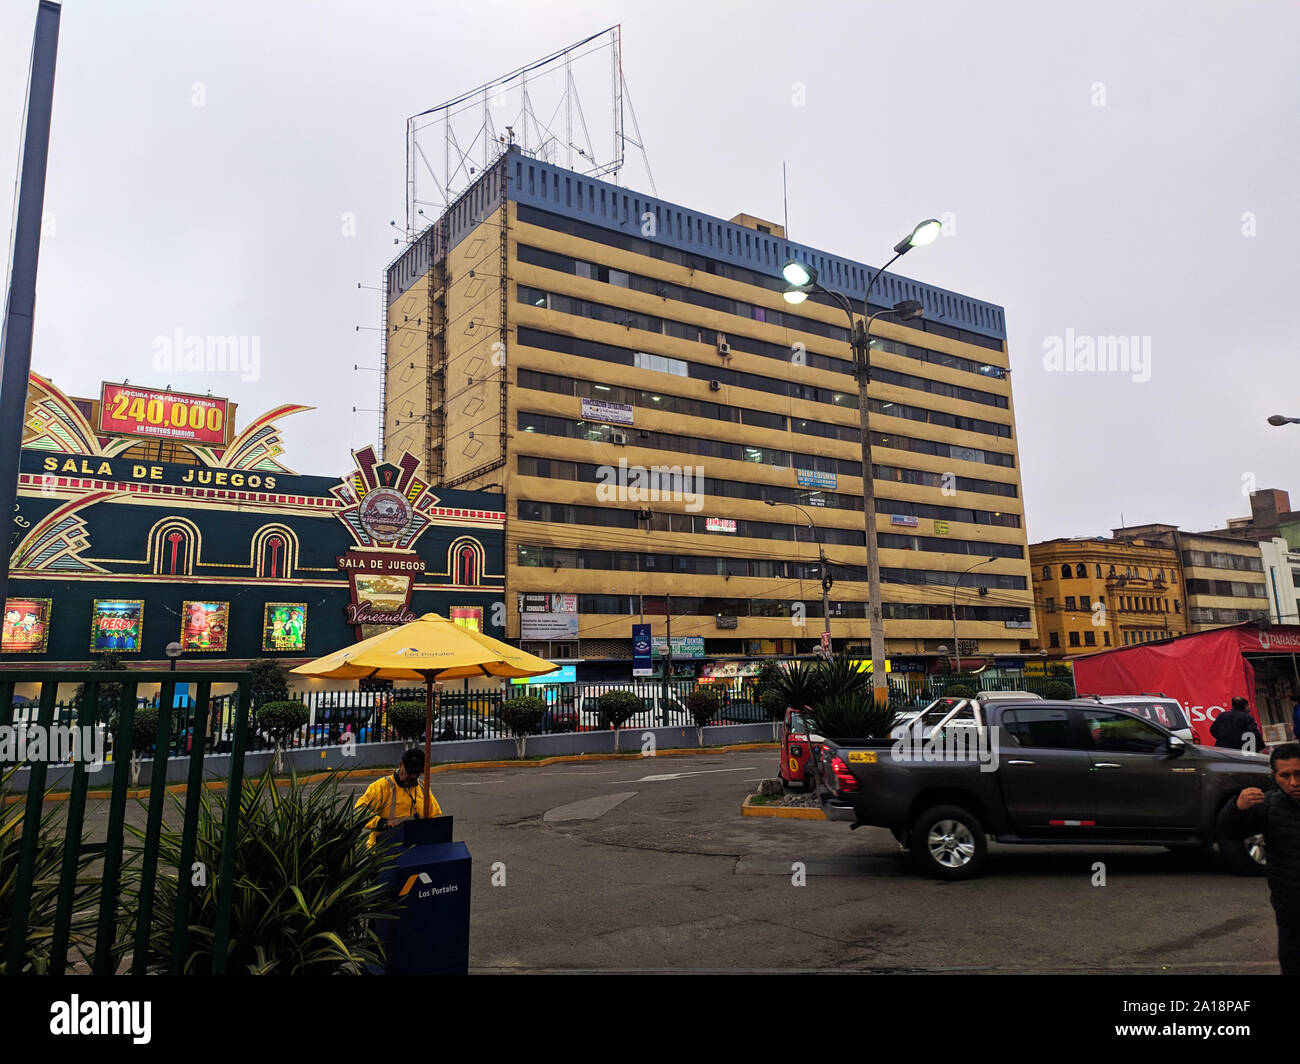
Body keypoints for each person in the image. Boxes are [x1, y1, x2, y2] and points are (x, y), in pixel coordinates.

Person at [1218, 743, 1300, 974]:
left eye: (1299, 774)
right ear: (1274, 776)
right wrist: (1236, 807)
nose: (1293, 782)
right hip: (1290, 909)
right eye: (1285, 775)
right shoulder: (1268, 805)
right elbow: (1229, 832)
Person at [355, 748, 441, 848]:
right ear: (401, 765)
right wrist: (382, 823)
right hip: (382, 850)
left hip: (415, 848)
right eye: (410, 771)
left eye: (417, 773)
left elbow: (435, 815)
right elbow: (358, 812)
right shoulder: (382, 786)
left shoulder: (423, 788)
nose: (413, 776)